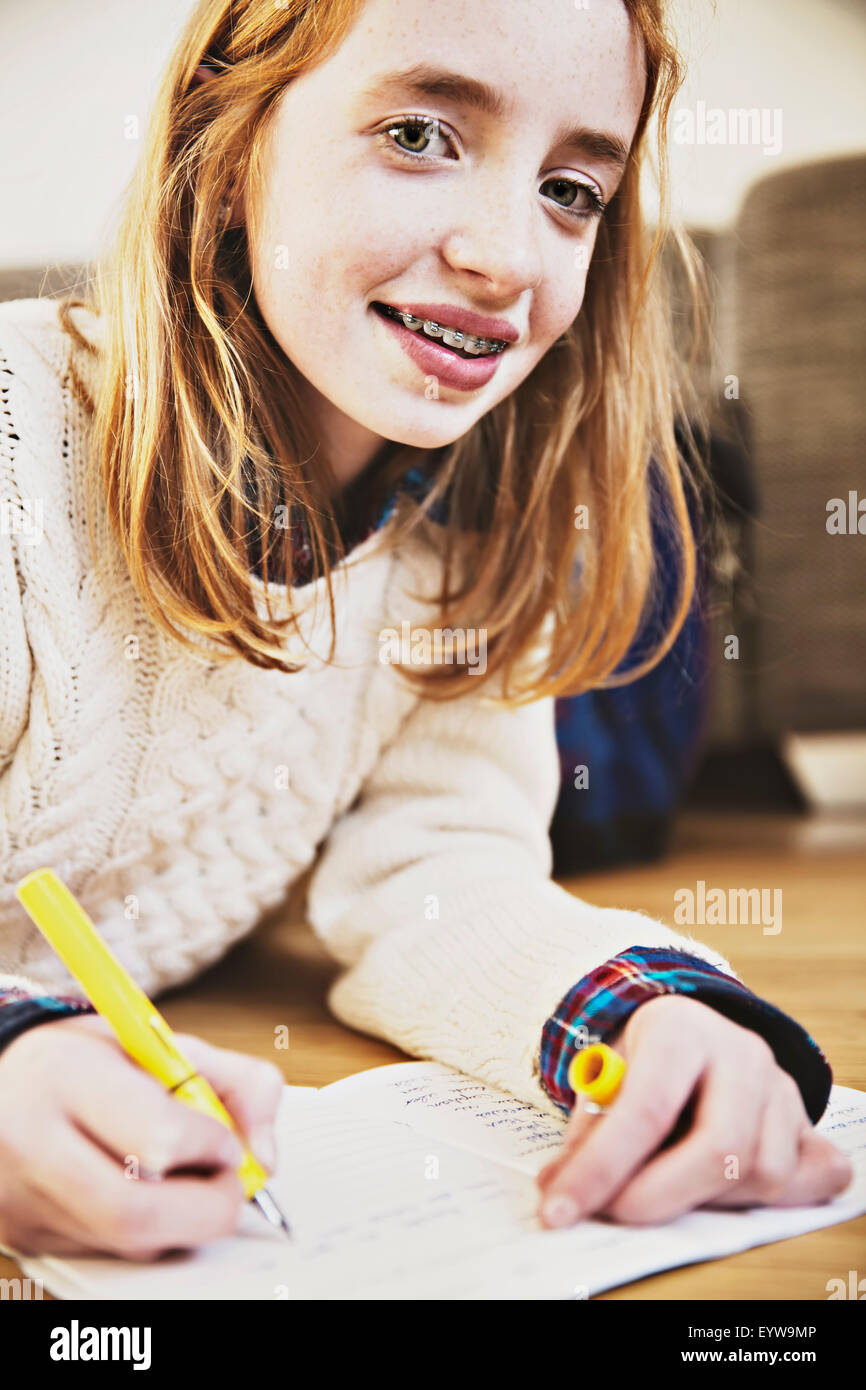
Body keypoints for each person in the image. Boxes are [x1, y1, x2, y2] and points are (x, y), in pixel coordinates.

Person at [0, 0, 850, 1264]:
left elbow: (436, 863)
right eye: (417, 132)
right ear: (226, 156)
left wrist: (642, 1013)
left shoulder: (484, 521)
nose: (509, 256)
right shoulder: (22, 454)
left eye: (570, 189)